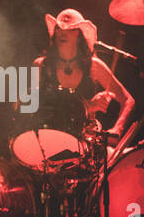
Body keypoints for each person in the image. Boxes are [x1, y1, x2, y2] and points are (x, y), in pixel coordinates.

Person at [32, 8, 135, 144]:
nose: (63, 33)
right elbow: (26, 107)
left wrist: (117, 129)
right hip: (47, 142)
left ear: (80, 35)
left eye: (70, 29)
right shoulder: (40, 66)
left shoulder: (95, 66)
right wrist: (87, 106)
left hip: (85, 148)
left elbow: (128, 100)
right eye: (59, 28)